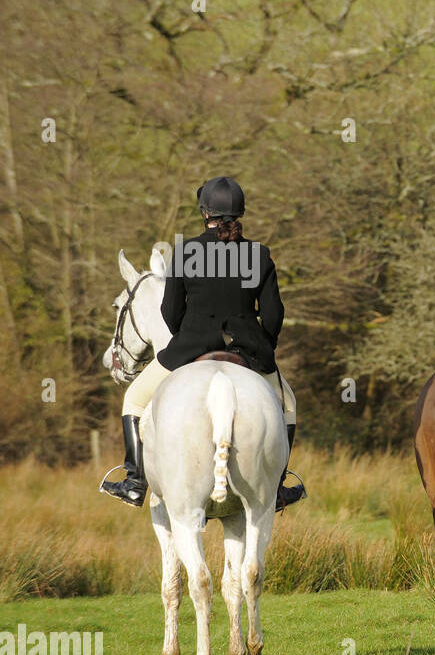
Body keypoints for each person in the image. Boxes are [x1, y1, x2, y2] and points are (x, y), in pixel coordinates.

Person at [100, 176, 305, 511]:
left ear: (204, 212)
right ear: (240, 212)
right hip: (249, 350)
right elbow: (273, 314)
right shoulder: (260, 255)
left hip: (190, 346)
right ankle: (279, 488)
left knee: (135, 399)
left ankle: (136, 483)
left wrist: (187, 335)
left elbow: (170, 310)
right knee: (288, 406)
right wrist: (262, 345)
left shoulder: (185, 253)